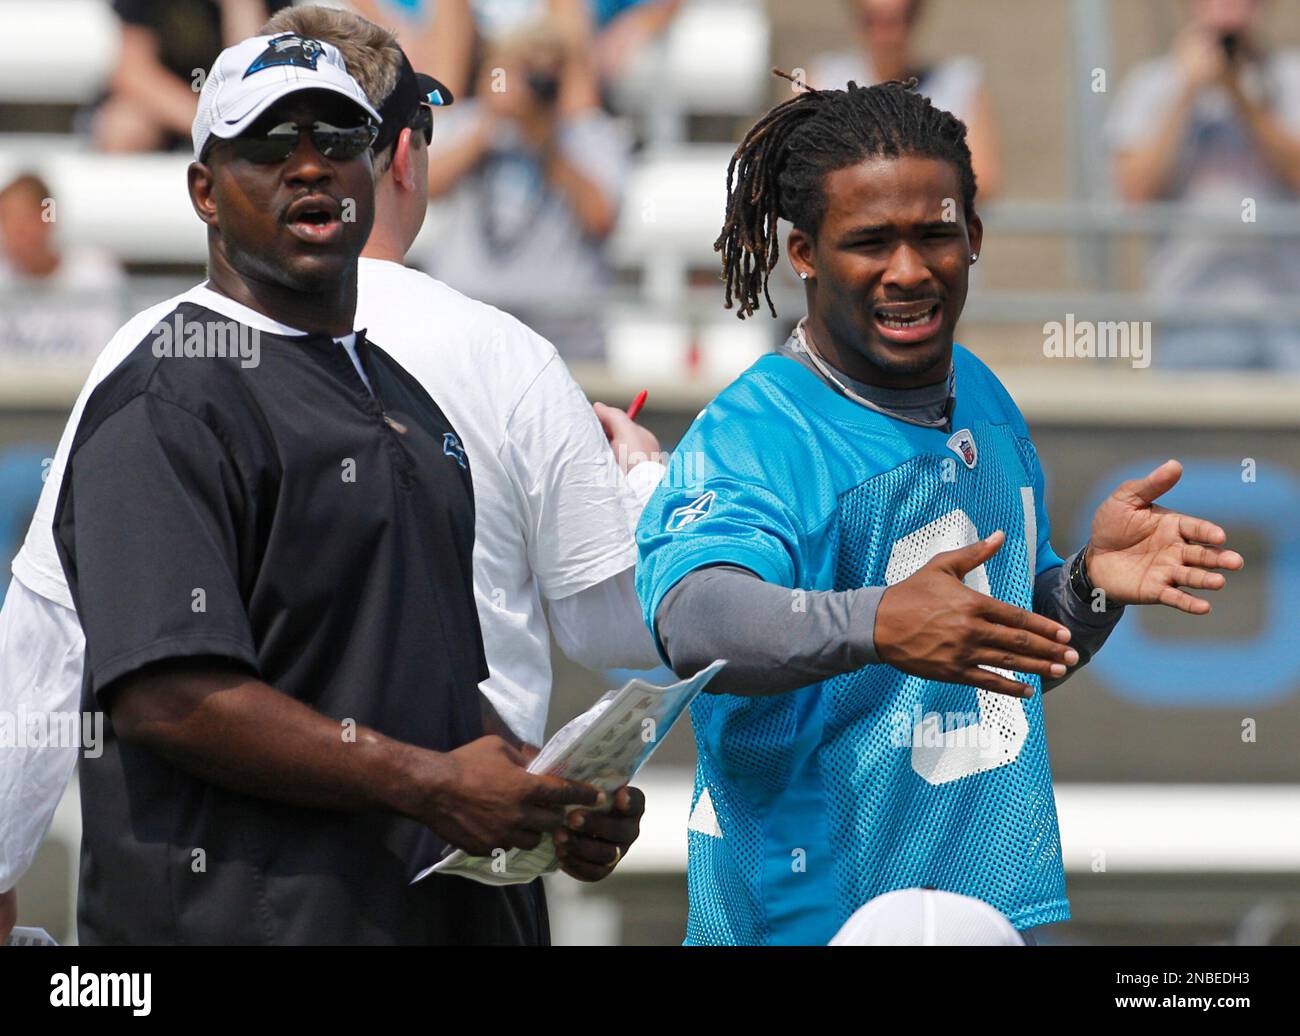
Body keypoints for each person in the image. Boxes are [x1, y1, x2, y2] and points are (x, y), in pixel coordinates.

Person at [1, 10, 663, 941]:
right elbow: (171, 698)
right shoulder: (165, 389)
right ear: (204, 189)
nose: (309, 164)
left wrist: (545, 801)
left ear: (376, 162)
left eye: (338, 137)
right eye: (269, 142)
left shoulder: (395, 390)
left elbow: (419, 684)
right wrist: (434, 783)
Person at [635, 76, 1243, 945]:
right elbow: (696, 622)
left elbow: (984, 673)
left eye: (935, 235)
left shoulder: (983, 396)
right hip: (808, 919)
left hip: (981, 910)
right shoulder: (761, 432)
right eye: (870, 241)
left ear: (975, 236)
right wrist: (880, 621)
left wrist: (1087, 589)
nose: (910, 270)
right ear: (803, 252)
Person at [419, 16, 631, 361]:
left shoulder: (591, 135)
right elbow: (426, 187)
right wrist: (491, 121)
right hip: (470, 319)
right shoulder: (468, 124)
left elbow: (601, 219)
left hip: (563, 329)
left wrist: (544, 139)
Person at [1107, 0, 1300, 369]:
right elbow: (1135, 192)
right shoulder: (1150, 84)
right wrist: (1184, 94)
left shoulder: (1291, 77)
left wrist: (1241, 98)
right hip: (1190, 316)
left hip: (1288, 315)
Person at [808, 0, 1001, 199]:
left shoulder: (959, 82)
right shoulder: (824, 79)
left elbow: (983, 180)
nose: (885, 34)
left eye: (897, 20)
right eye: (872, 20)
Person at [93, 0, 294, 152]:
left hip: (233, 115)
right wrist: (205, 124)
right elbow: (133, 73)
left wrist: (240, 7)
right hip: (169, 113)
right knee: (125, 126)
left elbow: (258, 79)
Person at [0, 173, 125, 367]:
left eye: (24, 221)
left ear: (48, 219)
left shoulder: (95, 275)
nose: (15, 233)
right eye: (7, 221)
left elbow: (105, 357)